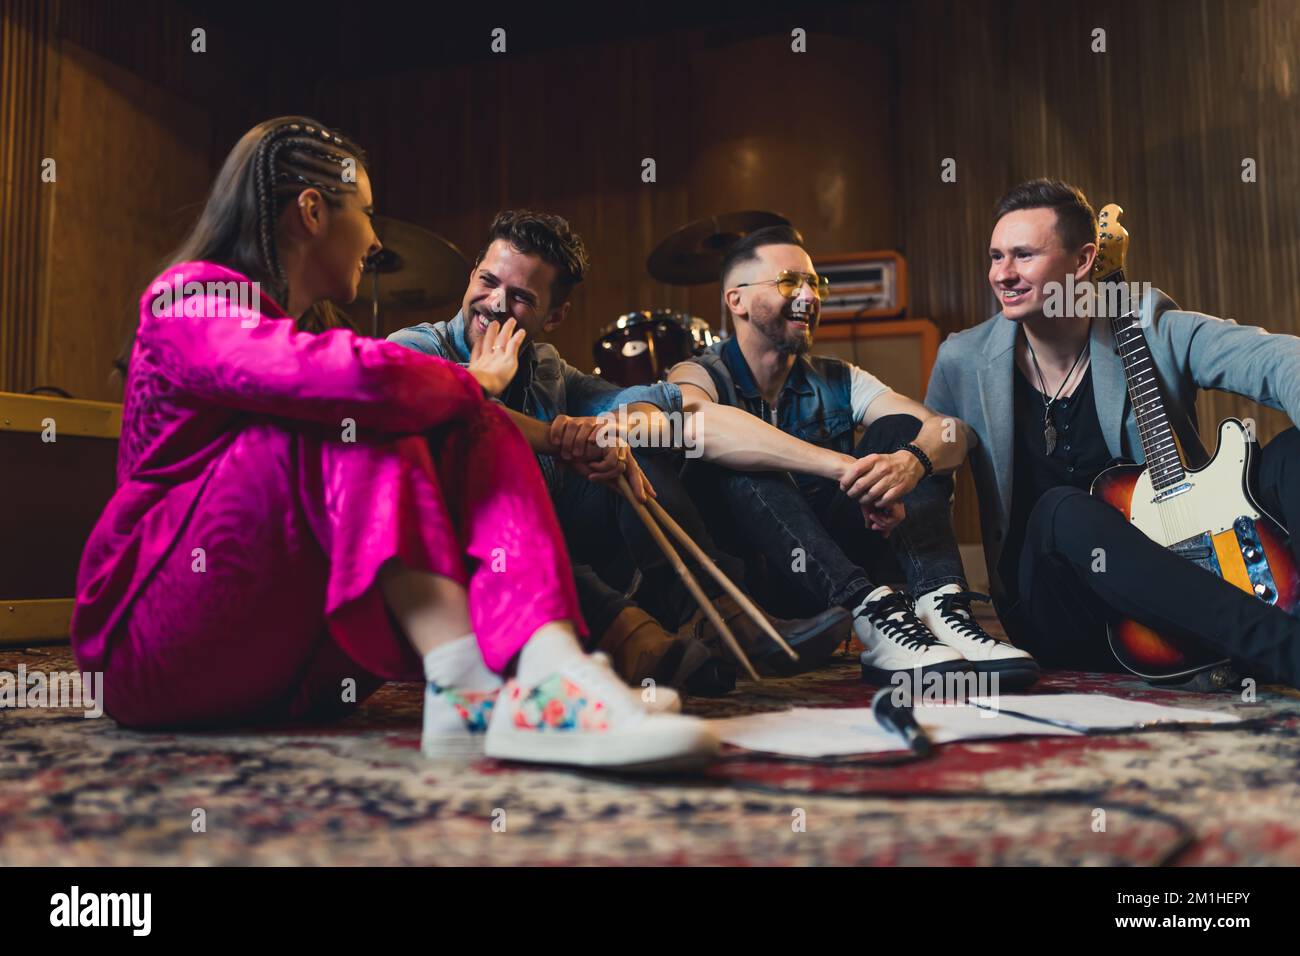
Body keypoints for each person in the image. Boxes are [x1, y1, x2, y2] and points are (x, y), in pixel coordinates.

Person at [70, 117, 718, 771]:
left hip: (289, 670)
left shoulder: (311, 329)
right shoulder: (189, 298)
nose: (377, 238)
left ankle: (548, 675)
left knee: (476, 420)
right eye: (369, 212)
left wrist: (482, 399)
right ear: (314, 211)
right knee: (365, 408)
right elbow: (347, 382)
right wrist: (473, 379)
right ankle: (469, 687)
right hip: (148, 646)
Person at [389, 211, 849, 691]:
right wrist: (514, 405)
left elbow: (649, 400)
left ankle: (716, 617)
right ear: (471, 277)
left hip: (556, 539)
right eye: (488, 281)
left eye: (522, 297)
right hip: (465, 561)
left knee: (627, 442)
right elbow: (430, 407)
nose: (496, 303)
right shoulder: (416, 348)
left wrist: (604, 431)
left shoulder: (545, 365)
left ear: (555, 315)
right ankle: (634, 636)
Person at [925, 178, 1300, 687]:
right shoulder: (962, 360)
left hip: (1189, 577)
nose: (1003, 274)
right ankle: (1281, 650)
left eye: (1023, 255)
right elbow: (931, 485)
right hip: (1061, 605)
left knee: (1293, 453)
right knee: (1062, 508)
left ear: (1082, 262)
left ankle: (1242, 636)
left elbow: (1276, 360)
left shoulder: (1149, 324)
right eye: (995, 257)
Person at [667, 225, 1038, 687]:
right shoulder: (696, 372)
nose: (809, 295)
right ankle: (871, 609)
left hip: (826, 581)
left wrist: (910, 462)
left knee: (902, 432)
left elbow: (951, 431)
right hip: (754, 591)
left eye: (814, 283)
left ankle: (940, 607)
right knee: (742, 454)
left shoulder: (839, 378)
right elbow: (700, 424)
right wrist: (842, 467)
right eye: (788, 282)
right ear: (735, 300)